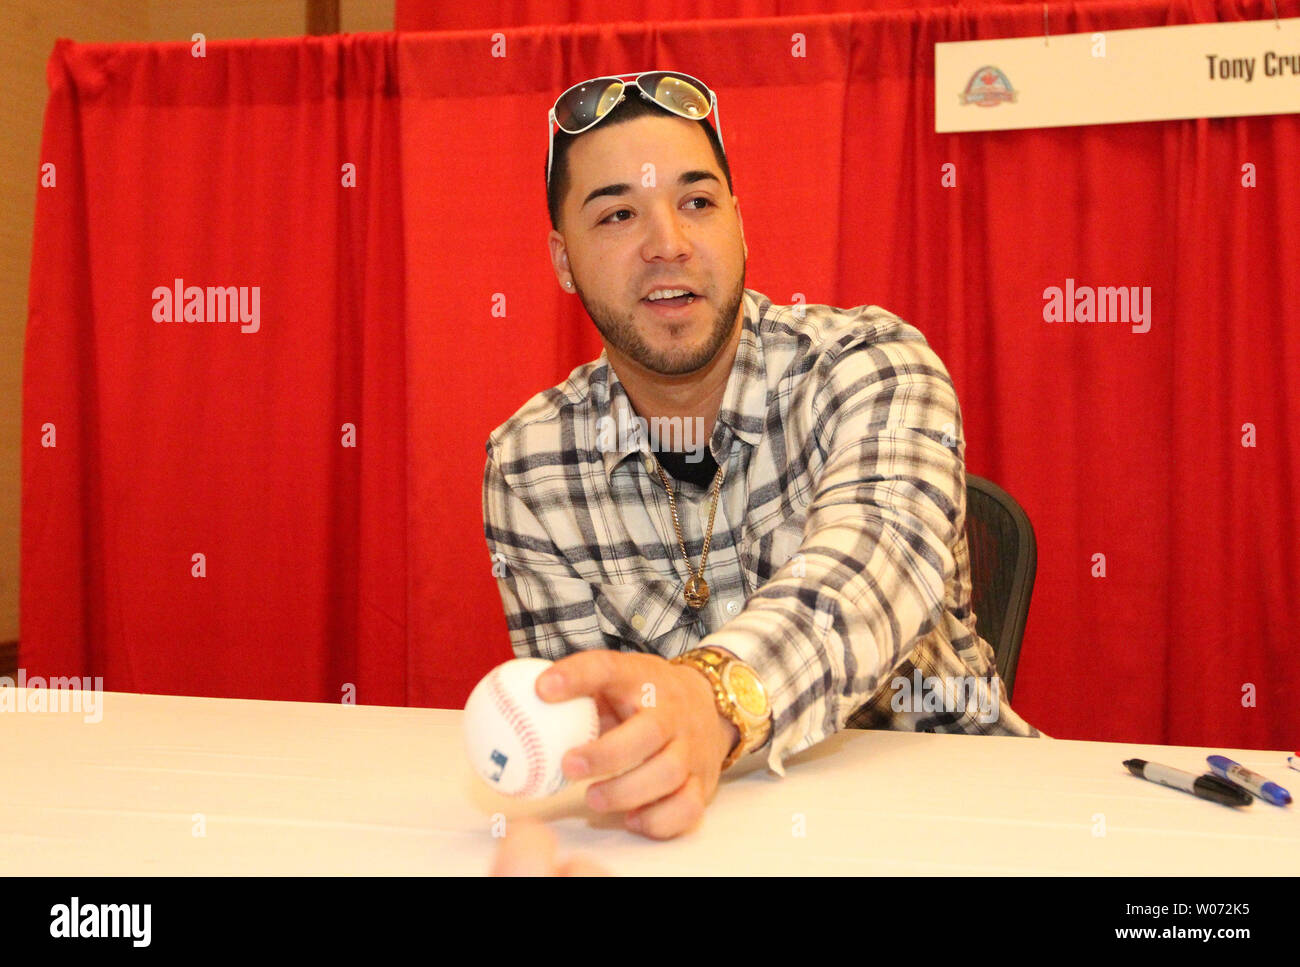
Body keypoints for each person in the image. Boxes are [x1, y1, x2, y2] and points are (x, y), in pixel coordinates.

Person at [482, 70, 1042, 843]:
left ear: (740, 224)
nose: (668, 244)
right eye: (617, 214)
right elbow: (599, 743)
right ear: (563, 260)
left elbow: (864, 572)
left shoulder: (873, 365)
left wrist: (708, 697)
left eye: (698, 202)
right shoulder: (529, 465)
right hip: (709, 840)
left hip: (956, 824)